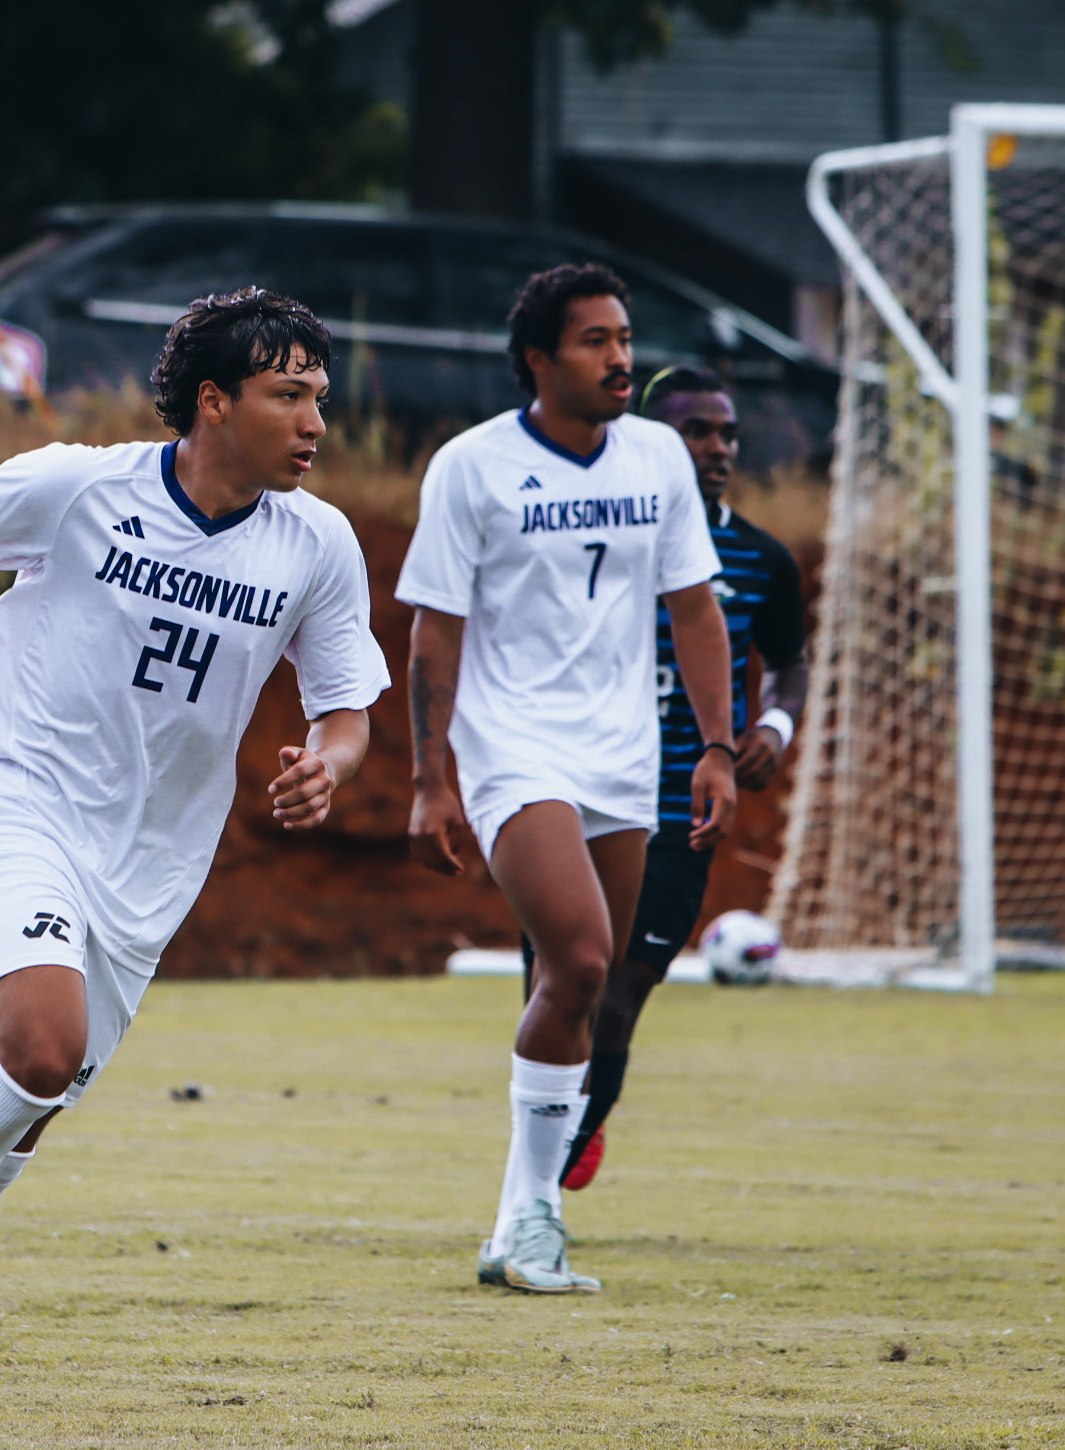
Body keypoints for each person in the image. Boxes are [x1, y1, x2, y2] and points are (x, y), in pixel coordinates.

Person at [0, 286, 390, 1448]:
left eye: (319, 397)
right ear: (215, 402)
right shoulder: (79, 488)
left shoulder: (319, 542)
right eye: (288, 396)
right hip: (13, 790)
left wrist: (333, 763)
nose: (315, 422)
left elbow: (345, 703)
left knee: (30, 1104)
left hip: (151, 860)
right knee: (40, 1045)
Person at [396, 264, 736, 1295]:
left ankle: (517, 1218)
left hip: (624, 755)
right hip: (513, 750)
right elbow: (432, 637)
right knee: (583, 960)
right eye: (594, 339)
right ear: (539, 359)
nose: (620, 356)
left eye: (624, 336)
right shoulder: (472, 466)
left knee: (585, 976)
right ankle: (535, 1214)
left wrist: (715, 746)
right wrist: (430, 777)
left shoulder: (659, 460)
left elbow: (694, 611)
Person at [541, 364, 809, 1191]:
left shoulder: (760, 558)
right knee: (555, 991)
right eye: (698, 430)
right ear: (651, 438)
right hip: (577, 796)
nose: (718, 447)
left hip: (679, 811)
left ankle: (544, 1182)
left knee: (617, 994)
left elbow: (791, 660)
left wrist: (771, 723)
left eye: (728, 433)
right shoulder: (589, 532)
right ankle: (539, 1159)